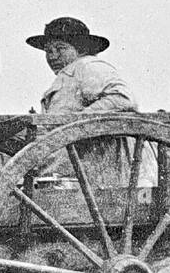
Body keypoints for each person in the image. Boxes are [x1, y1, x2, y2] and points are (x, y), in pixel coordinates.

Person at [26, 16, 138, 186]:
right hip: (76, 171)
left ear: (81, 49)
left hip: (98, 174)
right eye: (48, 51)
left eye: (60, 48)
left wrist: (78, 122)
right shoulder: (68, 75)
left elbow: (123, 99)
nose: (53, 56)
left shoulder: (89, 66)